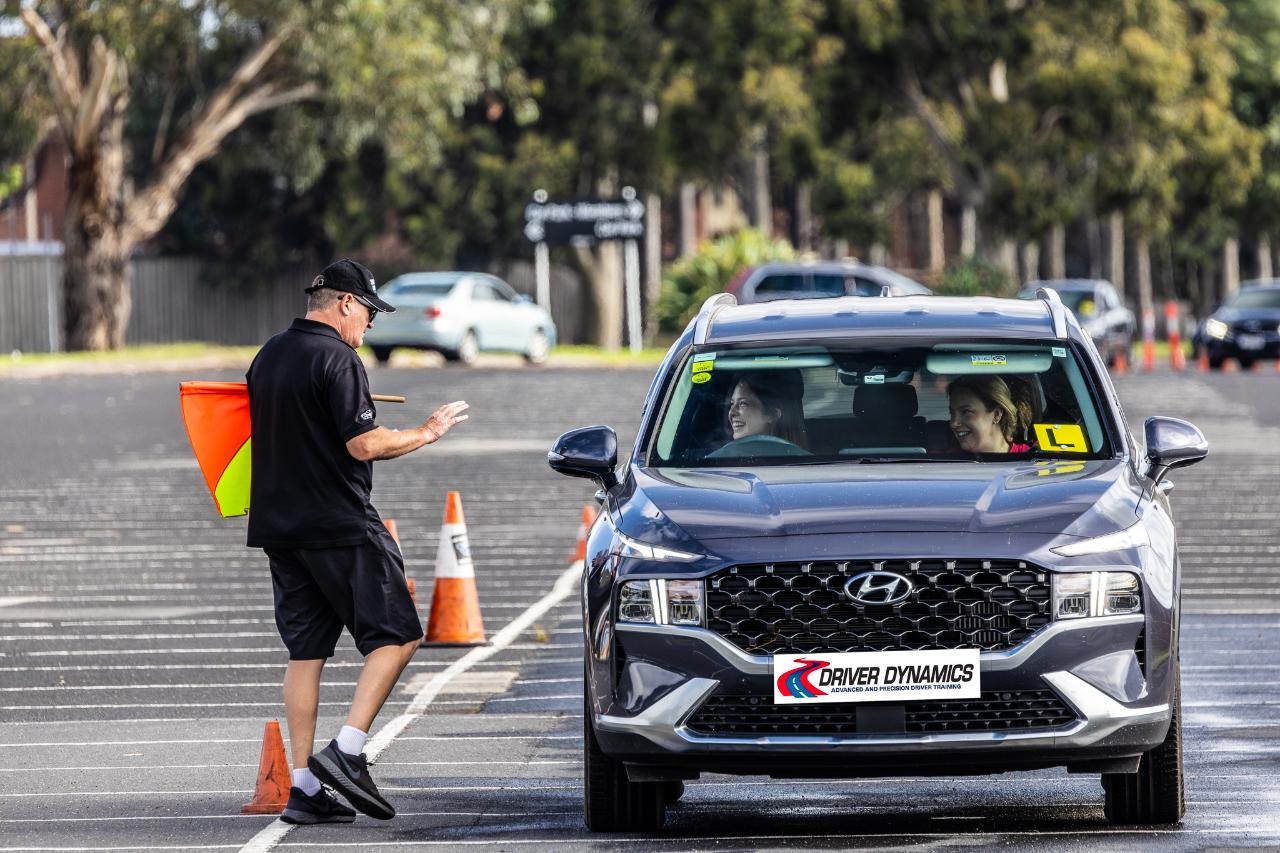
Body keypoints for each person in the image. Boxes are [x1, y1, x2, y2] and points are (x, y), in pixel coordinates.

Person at [245, 258, 469, 825]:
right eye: (368, 312)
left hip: (280, 528)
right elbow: (364, 445)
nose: (369, 326)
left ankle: (301, 789)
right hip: (339, 524)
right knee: (397, 636)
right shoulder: (337, 357)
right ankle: (346, 752)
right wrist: (427, 432)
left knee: (306, 653)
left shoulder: (270, 353)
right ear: (345, 302)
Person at [946, 374, 1034, 455]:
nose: (953, 423)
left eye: (966, 411)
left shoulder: (1033, 460)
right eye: (952, 413)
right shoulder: (943, 462)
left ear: (997, 414)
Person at [724, 370, 807, 448]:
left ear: (772, 414)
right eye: (732, 403)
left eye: (743, 403)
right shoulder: (723, 458)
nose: (731, 413)